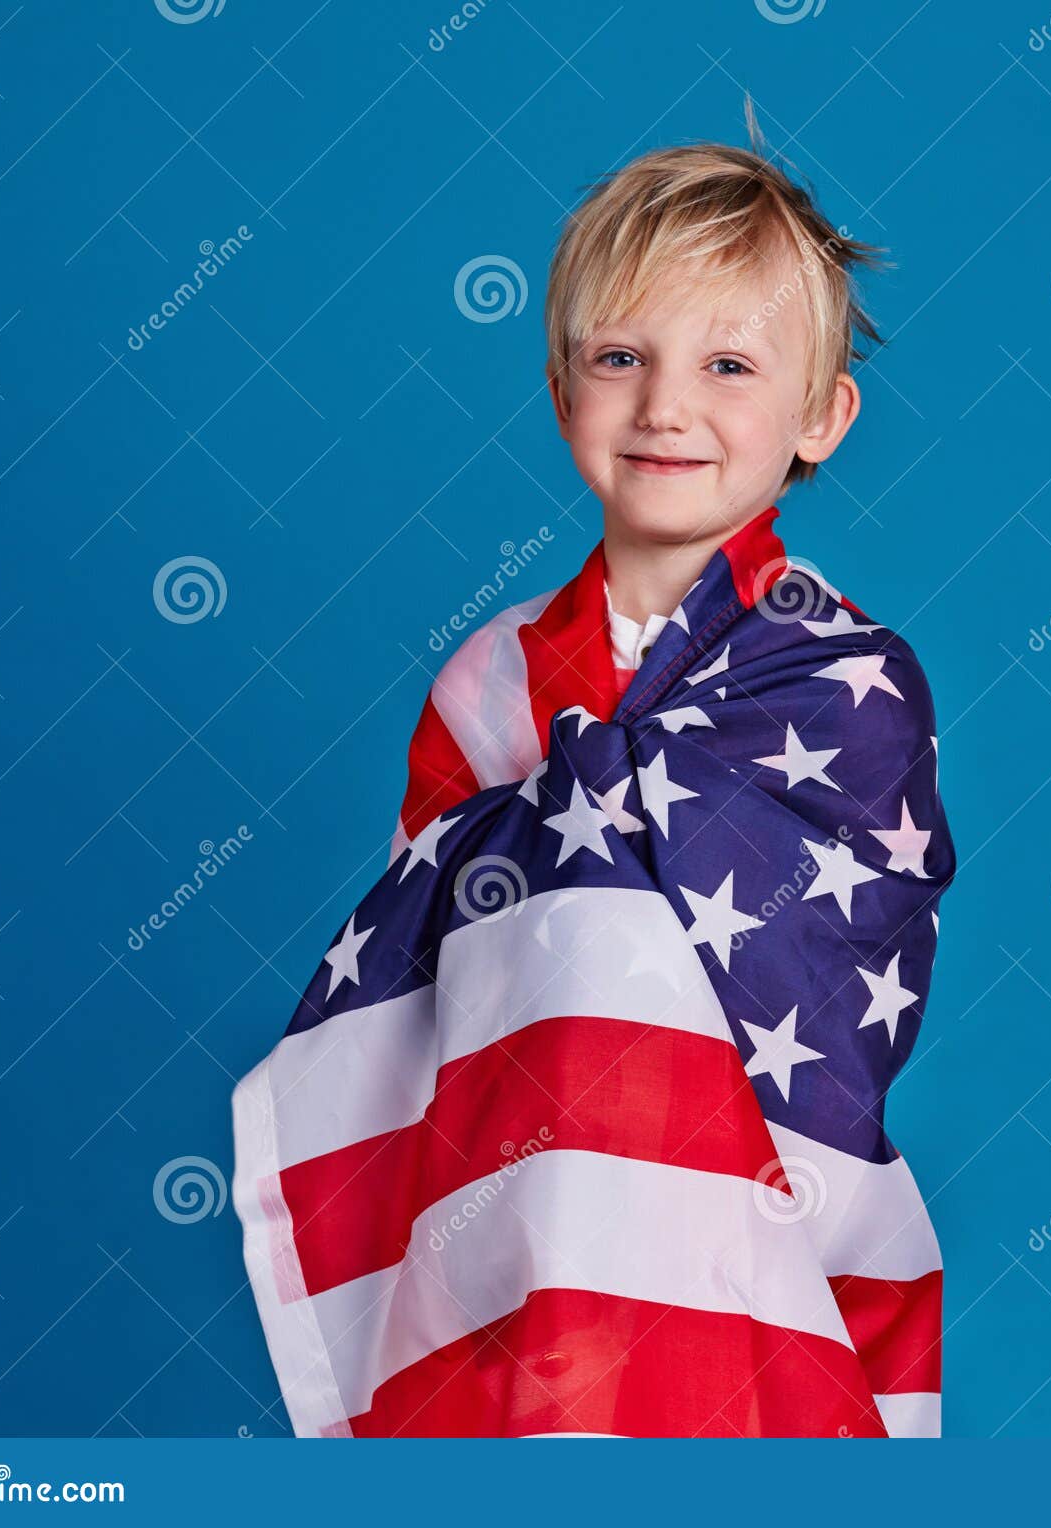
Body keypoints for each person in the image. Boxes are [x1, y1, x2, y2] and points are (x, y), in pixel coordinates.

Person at [234, 126, 956, 1439]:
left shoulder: (846, 682)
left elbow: (844, 949)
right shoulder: (489, 676)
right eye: (621, 358)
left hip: (740, 1207)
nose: (667, 406)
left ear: (820, 417)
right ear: (565, 392)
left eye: (729, 366)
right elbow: (438, 974)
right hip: (524, 1196)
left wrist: (591, 818)